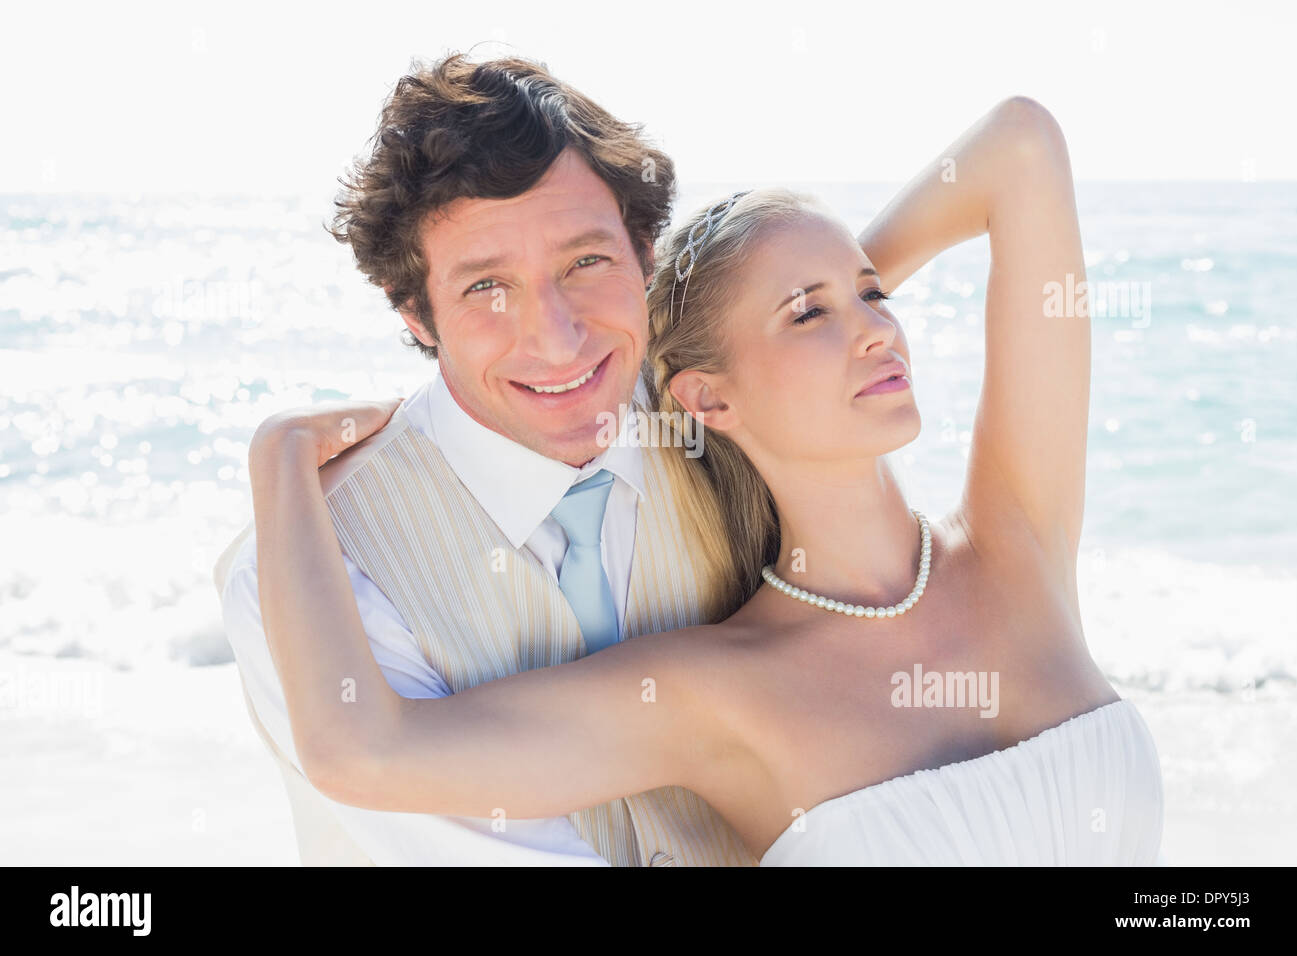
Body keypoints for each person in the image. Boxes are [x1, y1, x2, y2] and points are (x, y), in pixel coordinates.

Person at [248, 96, 1165, 865]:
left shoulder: (1019, 543)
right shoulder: (710, 690)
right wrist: (280, 461)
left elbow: (1021, 145)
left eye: (874, 293)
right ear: (707, 399)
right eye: (807, 314)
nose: (880, 331)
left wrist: (809, 293)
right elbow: (358, 751)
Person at [215, 51, 760, 866]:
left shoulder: (735, 420)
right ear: (415, 313)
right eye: (486, 289)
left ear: (645, 254)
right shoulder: (312, 573)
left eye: (586, 262)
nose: (556, 337)